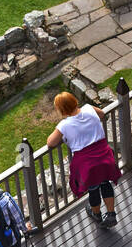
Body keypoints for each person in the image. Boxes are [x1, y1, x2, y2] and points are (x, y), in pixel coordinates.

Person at [47, 92, 122, 227]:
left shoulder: (64, 125)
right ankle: (111, 214)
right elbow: (101, 114)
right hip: (104, 155)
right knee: (105, 183)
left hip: (88, 163)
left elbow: (51, 143)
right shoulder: (89, 108)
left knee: (93, 189)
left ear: (62, 110)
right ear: (74, 100)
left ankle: (96, 214)